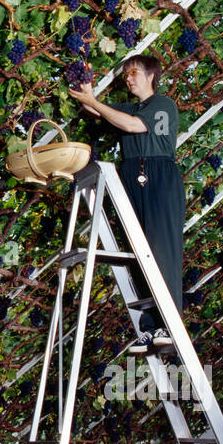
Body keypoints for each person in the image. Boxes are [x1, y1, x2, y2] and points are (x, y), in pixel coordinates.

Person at [67, 55, 185, 349]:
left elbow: (133, 126)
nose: (128, 79)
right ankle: (149, 326)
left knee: (160, 250)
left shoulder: (162, 105)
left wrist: (95, 103)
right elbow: (97, 113)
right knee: (137, 252)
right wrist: (88, 91)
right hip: (132, 174)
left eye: (133, 73)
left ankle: (168, 326)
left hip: (158, 175)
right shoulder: (131, 107)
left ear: (150, 76)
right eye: (126, 75)